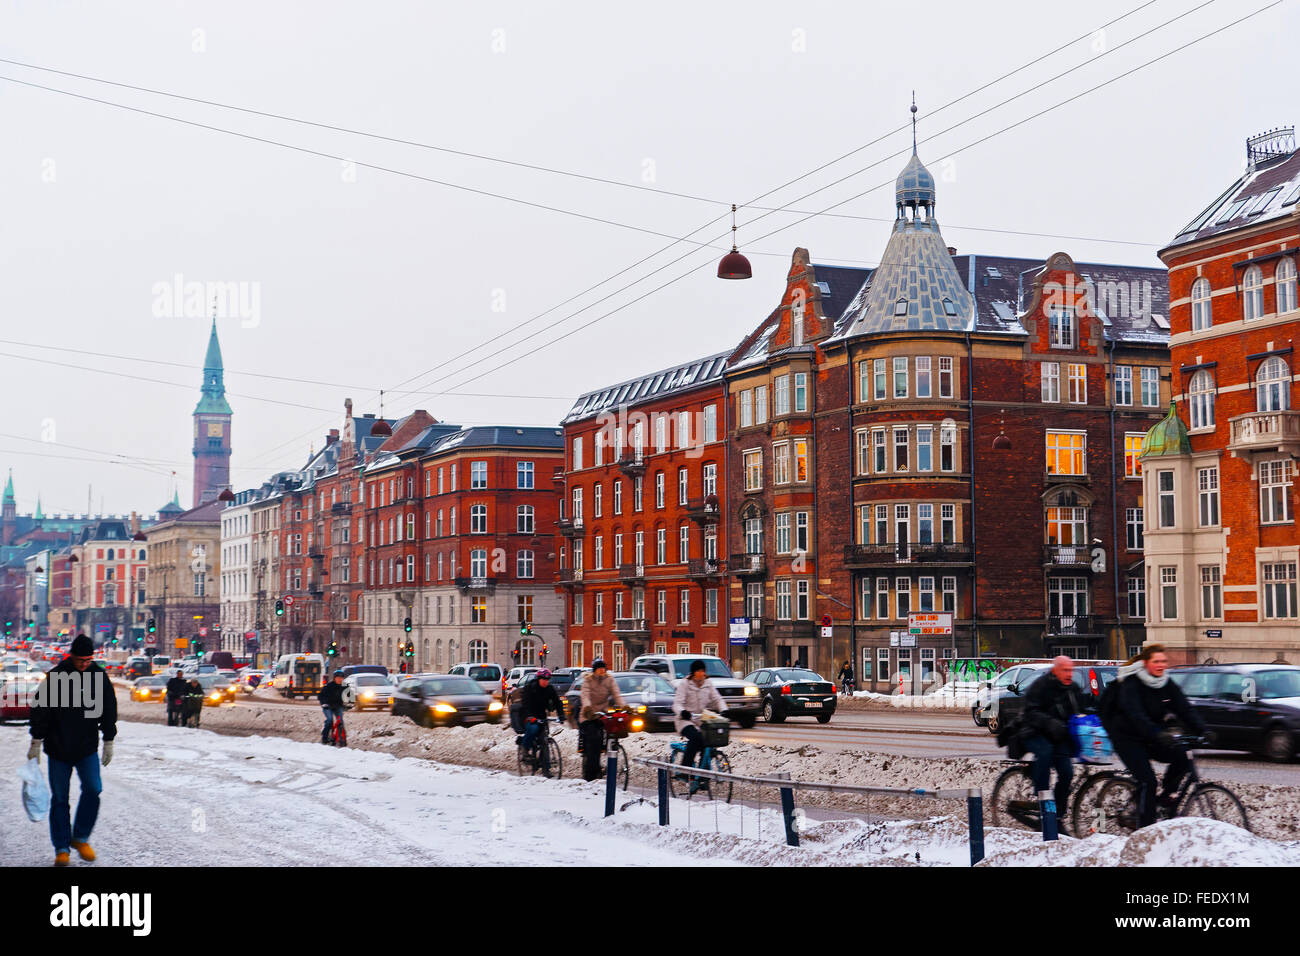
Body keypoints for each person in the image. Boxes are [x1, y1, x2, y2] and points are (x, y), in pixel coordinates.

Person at [28, 634, 117, 867]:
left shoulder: (98, 676)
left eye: (88, 660)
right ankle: (61, 848)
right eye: (80, 660)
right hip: (58, 748)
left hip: (86, 748)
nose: (84, 664)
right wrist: (36, 740)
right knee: (60, 799)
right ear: (72, 656)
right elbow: (41, 710)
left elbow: (109, 708)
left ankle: (80, 837)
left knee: (94, 789)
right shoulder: (57, 676)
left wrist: (109, 739)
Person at [1108, 644, 1205, 828]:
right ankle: (1145, 829)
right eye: (1156, 661)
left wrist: (1202, 729)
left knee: (1183, 755)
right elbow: (1136, 715)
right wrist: (1156, 732)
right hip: (1127, 738)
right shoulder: (1132, 684)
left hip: (1151, 736)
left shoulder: (1166, 683)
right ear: (1146, 663)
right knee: (1148, 781)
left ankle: (1165, 797)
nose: (1161, 665)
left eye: (1163, 661)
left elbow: (1184, 708)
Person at [1016, 656, 1083, 830]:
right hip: (1034, 732)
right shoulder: (1041, 686)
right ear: (1055, 670)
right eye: (1065, 670)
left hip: (1058, 736)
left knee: (1067, 772)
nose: (1069, 674)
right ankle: (1043, 801)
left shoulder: (1073, 689)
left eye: (1071, 670)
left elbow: (1082, 708)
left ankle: (1057, 814)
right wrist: (1049, 722)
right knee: (1045, 753)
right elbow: (1030, 711)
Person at [673, 659, 725, 794]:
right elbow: (677, 703)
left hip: (700, 720)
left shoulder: (708, 684)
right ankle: (684, 770)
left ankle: (702, 777)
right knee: (696, 738)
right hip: (685, 720)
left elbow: (717, 698)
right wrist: (682, 712)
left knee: (707, 743)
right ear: (693, 673)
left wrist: (724, 709)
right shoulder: (685, 684)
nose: (701, 673)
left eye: (703, 671)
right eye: (698, 671)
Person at [578, 659, 624, 781]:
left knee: (614, 730)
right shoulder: (588, 680)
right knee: (594, 739)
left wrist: (624, 707)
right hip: (589, 715)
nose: (602, 671)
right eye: (599, 669)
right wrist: (588, 708)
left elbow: (616, 694)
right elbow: (585, 695)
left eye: (604, 668)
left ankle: (610, 753)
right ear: (594, 670)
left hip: (603, 714)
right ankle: (591, 772)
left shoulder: (609, 680)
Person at [519, 669, 564, 777]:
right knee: (533, 729)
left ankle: (546, 769)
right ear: (539, 679)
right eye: (543, 679)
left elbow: (557, 702)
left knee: (544, 741)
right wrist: (530, 716)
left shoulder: (549, 689)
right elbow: (525, 703)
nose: (545, 682)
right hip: (528, 716)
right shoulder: (530, 688)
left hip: (541, 717)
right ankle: (525, 749)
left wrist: (561, 715)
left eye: (547, 680)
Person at [319, 670, 346, 745]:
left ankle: (341, 739)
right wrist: (324, 703)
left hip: (338, 706)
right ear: (334, 678)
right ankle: (325, 737)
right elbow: (321, 696)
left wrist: (350, 703)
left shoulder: (344, 687)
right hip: (328, 706)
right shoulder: (328, 686)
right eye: (338, 678)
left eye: (341, 678)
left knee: (340, 721)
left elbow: (349, 696)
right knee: (330, 720)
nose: (340, 679)